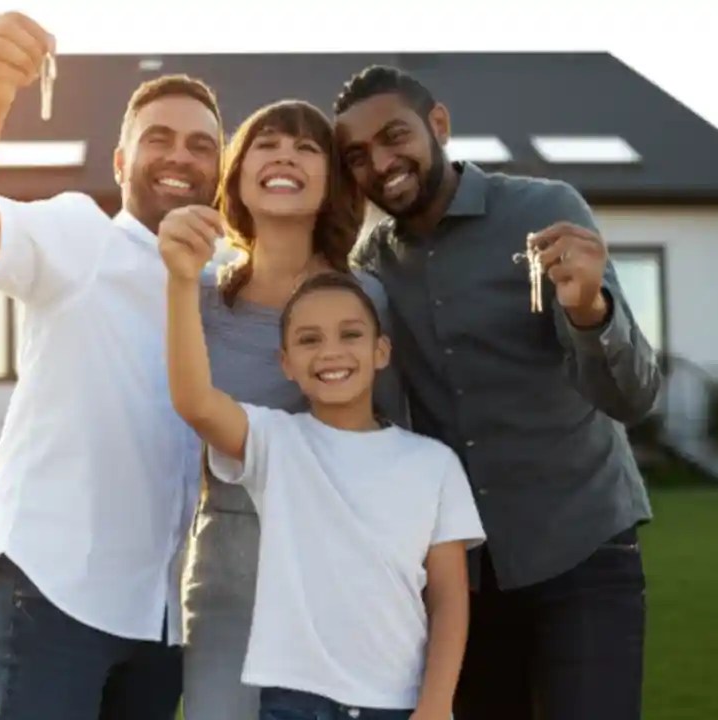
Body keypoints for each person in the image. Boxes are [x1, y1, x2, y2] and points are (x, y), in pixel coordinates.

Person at [0, 10, 224, 719]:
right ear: (122, 163)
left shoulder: (224, 282)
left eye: (201, 146)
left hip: (162, 617)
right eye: (159, 140)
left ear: (218, 170)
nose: (180, 156)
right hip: (51, 594)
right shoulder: (79, 234)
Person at [333, 64, 662, 720]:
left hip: (583, 551)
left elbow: (635, 397)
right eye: (358, 156)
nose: (381, 162)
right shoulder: (368, 268)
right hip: (466, 581)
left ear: (440, 125)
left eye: (395, 136)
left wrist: (591, 308)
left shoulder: (546, 211)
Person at [161, 204, 487, 720]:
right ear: (286, 364)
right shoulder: (275, 444)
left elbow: (449, 598)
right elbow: (195, 402)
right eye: (309, 340)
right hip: (295, 703)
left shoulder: (434, 464)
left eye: (350, 335)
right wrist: (181, 281)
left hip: (396, 704)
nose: (331, 352)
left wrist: (437, 703)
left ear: (381, 352)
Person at [177, 99, 407, 720]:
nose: (285, 155)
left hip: (335, 568)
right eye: (267, 143)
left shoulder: (365, 298)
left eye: (307, 148)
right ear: (238, 174)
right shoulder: (199, 297)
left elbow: (391, 445)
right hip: (227, 561)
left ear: (331, 181)